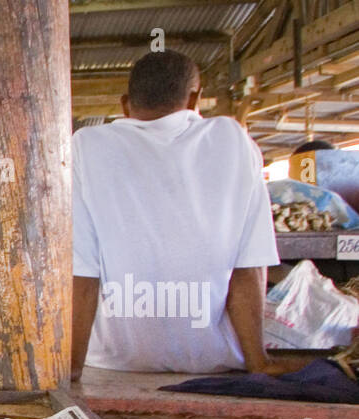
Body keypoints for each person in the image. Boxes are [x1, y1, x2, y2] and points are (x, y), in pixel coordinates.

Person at [71, 52, 286, 378]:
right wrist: (259, 363)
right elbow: (249, 265)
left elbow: (81, 269)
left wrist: (72, 366)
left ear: (125, 104)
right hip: (210, 362)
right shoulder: (232, 139)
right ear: (195, 99)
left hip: (114, 361)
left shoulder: (87, 146)